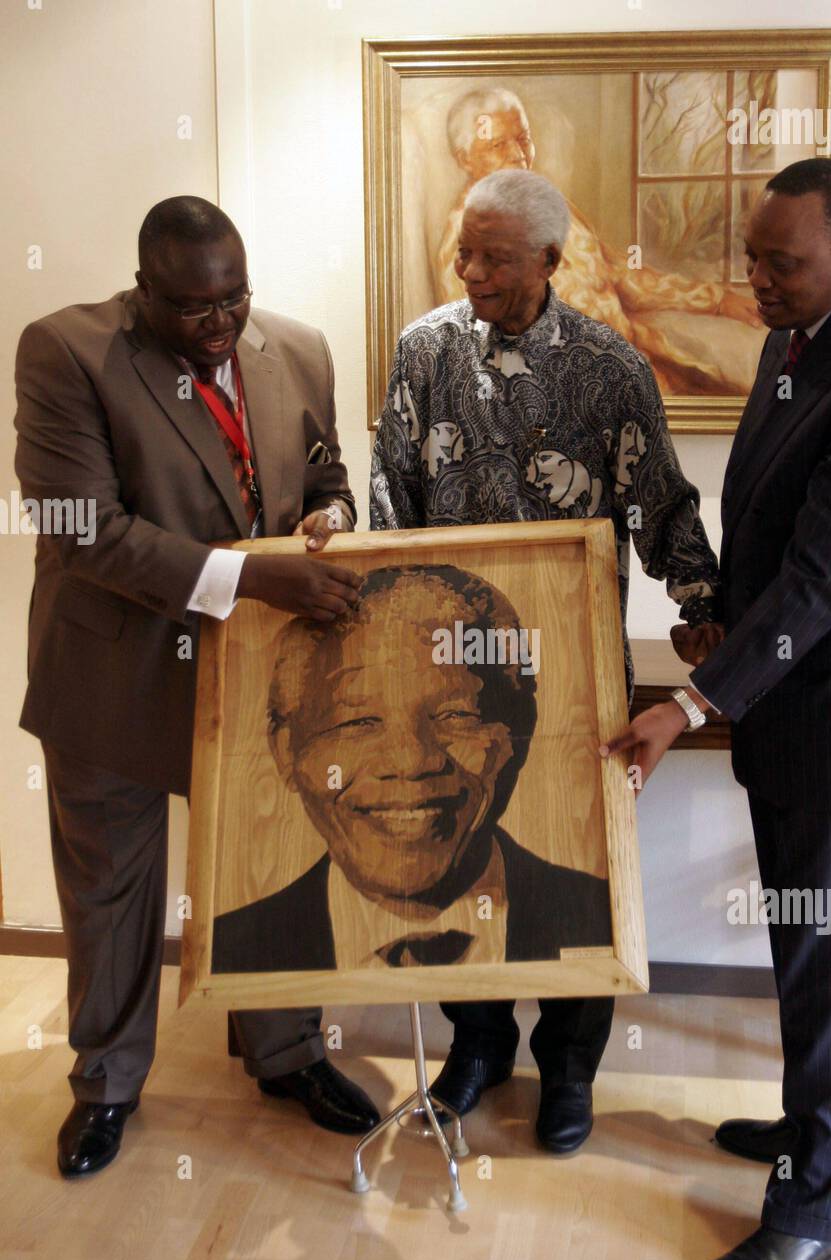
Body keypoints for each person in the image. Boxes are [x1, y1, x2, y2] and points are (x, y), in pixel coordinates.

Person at [603, 158, 831, 1260]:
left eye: (783, 263)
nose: (756, 280)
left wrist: (690, 702)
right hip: (789, 709)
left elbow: (826, 573)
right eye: (751, 258)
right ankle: (816, 1126)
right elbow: (766, 522)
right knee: (809, 956)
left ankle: (826, 1209)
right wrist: (723, 626)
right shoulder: (791, 338)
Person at [15, 195, 380, 1178]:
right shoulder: (64, 352)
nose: (220, 326)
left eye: (234, 299)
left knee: (269, 872)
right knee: (111, 889)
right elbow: (81, 526)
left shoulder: (296, 347)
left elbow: (325, 471)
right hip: (111, 672)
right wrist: (254, 575)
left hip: (265, 672)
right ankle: (106, 1084)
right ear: (143, 292)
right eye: (191, 309)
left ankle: (285, 1051)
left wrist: (331, 513)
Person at [371, 167, 722, 1155]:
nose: (469, 267)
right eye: (463, 248)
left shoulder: (609, 368)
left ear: (548, 262)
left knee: (574, 871)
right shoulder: (423, 350)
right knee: (455, 855)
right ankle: (475, 1047)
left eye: (493, 254)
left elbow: (659, 499)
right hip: (445, 669)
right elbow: (389, 492)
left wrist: (701, 604)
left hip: (572, 673)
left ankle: (570, 1066)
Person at [212, 565, 611, 971]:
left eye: (456, 716)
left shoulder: (599, 918)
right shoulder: (232, 948)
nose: (411, 761)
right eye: (357, 722)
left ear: (519, 731)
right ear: (285, 750)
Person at [433, 86, 764, 393]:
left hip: (629, 363)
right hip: (574, 397)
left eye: (524, 139)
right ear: (465, 160)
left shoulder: (547, 206)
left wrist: (717, 300)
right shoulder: (463, 245)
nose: (519, 155)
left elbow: (619, 275)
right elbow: (485, 358)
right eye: (498, 145)